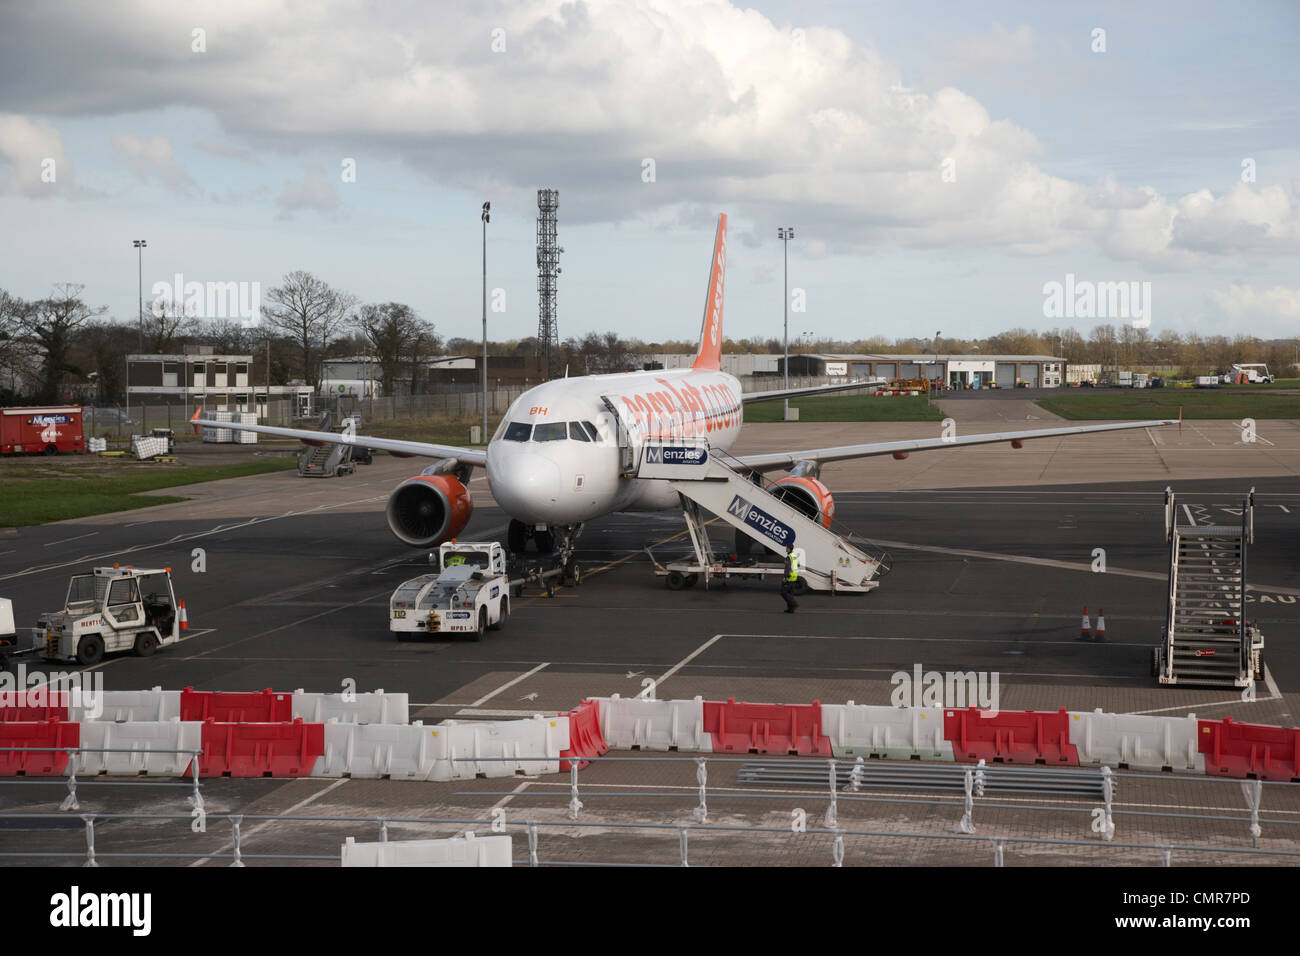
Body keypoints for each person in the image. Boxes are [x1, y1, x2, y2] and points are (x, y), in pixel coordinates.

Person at [780, 543, 799, 613]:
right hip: (794, 577)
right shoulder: (794, 556)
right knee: (790, 594)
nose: (786, 548)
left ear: (788, 548)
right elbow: (798, 564)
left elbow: (787, 567)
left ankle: (794, 604)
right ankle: (791, 609)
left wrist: (786, 576)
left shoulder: (788, 557)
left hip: (789, 577)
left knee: (783, 592)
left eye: (786, 547)